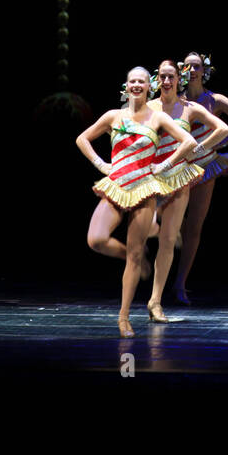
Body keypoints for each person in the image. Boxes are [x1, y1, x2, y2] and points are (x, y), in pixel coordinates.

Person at [77, 66, 200, 337]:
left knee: (134, 254)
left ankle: (123, 318)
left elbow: (188, 141)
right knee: (95, 239)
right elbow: (82, 138)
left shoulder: (157, 118)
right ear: (126, 84)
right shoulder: (113, 115)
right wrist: (101, 164)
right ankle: (139, 259)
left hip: (144, 190)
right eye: (132, 80)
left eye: (141, 82)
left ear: (148, 86)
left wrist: (164, 165)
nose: (136, 85)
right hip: (116, 186)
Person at [146, 60, 228, 321]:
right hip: (153, 175)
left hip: (183, 173)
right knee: (147, 232)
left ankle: (161, 297)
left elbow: (226, 128)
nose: (167, 81)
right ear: (157, 79)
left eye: (171, 77)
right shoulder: (150, 108)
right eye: (163, 77)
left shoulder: (194, 107)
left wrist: (201, 149)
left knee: (178, 236)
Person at [173, 52, 228, 304]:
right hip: (178, 165)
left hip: (205, 166)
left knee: (195, 226)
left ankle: (180, 284)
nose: (192, 70)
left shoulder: (215, 100)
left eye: (196, 66)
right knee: (170, 221)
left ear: (204, 70)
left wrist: (224, 141)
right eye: (187, 66)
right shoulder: (176, 101)